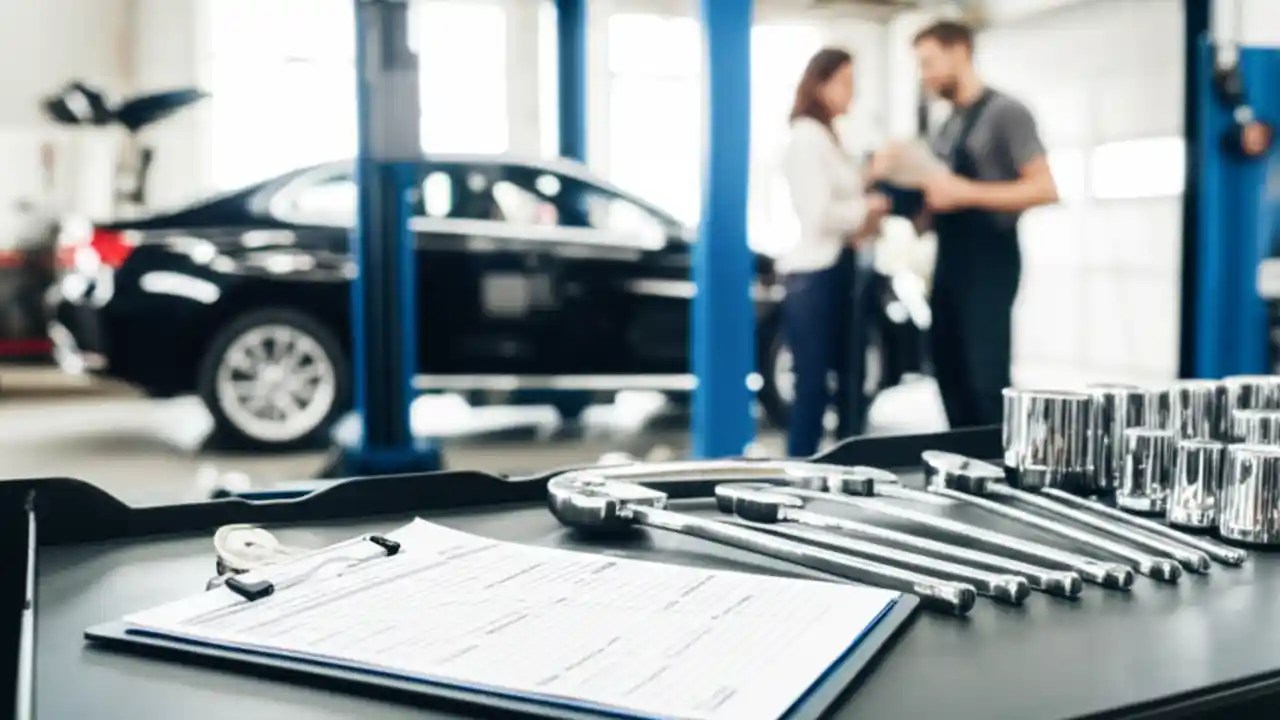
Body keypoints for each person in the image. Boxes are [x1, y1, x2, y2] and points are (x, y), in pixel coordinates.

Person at [910, 21, 1059, 428]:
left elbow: (1045, 188)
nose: (925, 75)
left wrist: (965, 194)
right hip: (949, 262)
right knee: (948, 371)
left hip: (989, 262)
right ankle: (963, 475)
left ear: (960, 51)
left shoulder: (1007, 113)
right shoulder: (946, 125)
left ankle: (996, 478)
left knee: (984, 380)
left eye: (929, 63)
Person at [778, 47, 890, 457]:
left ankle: (842, 469)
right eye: (844, 83)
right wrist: (870, 207)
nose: (851, 93)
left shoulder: (828, 137)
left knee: (849, 381)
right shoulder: (807, 137)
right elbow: (819, 213)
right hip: (815, 275)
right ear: (819, 83)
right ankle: (799, 473)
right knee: (812, 387)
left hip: (840, 268)